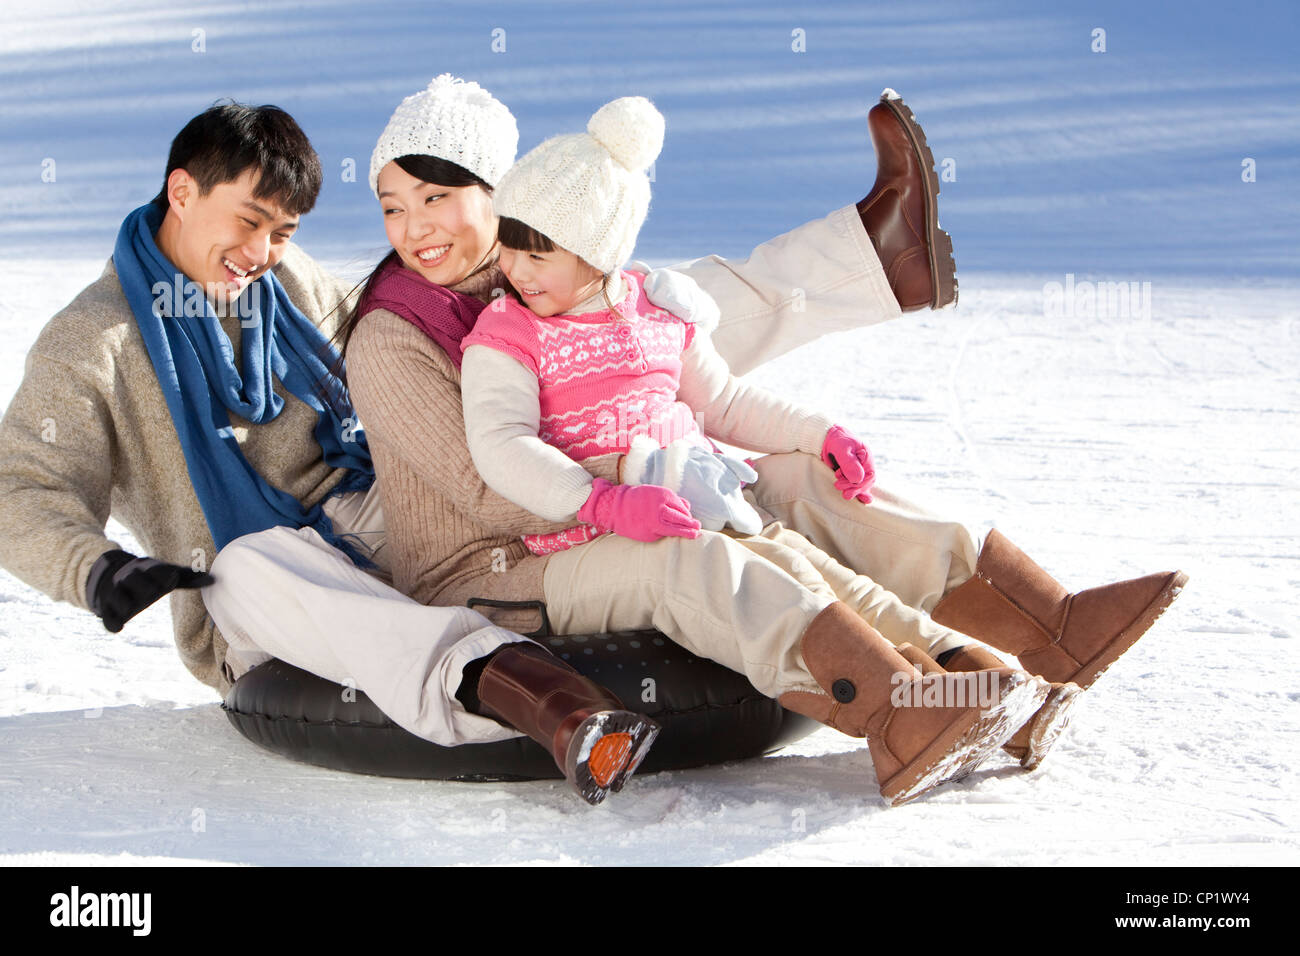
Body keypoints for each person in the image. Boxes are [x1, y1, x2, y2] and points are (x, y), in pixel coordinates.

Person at [341, 77, 1184, 804]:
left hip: (618, 495)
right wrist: (645, 473)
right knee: (698, 555)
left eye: (437, 198)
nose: (415, 229)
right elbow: (485, 490)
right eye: (392, 207)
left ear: (500, 196)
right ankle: (896, 708)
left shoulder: (531, 272)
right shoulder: (400, 334)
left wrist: (798, 438)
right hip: (499, 562)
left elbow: (679, 379)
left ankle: (1033, 633)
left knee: (802, 480)